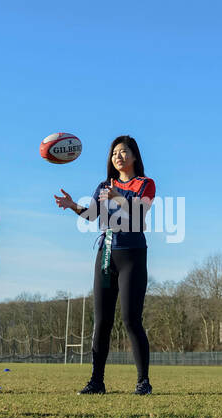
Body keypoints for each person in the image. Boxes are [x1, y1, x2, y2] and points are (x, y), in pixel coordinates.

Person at [53, 136, 154, 394]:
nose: (118, 156)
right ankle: (96, 381)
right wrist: (72, 205)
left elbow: (140, 214)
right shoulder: (103, 186)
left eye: (123, 152)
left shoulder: (145, 183)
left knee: (131, 319)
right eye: (114, 153)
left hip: (132, 255)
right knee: (102, 321)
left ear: (134, 156)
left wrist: (119, 196)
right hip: (106, 253)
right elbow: (91, 215)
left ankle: (143, 381)